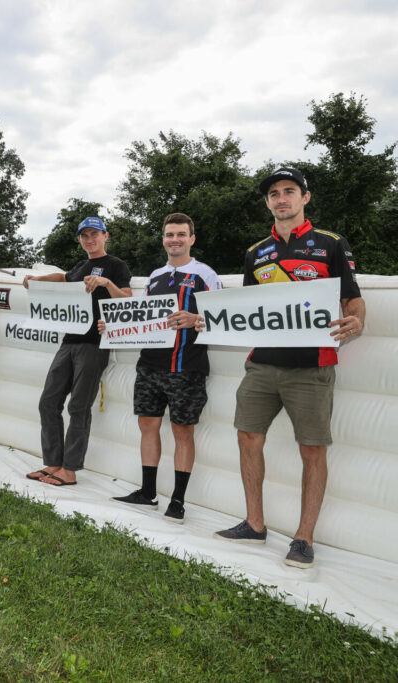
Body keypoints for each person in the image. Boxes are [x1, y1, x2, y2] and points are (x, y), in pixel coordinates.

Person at [213, 167, 364, 569]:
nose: (282, 199)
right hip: (261, 364)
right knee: (247, 437)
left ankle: (304, 538)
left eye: (289, 191)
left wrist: (358, 321)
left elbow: (352, 299)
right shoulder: (255, 252)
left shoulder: (330, 243)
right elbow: (244, 310)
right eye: (275, 194)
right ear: (268, 203)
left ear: (305, 198)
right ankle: (255, 523)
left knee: (312, 449)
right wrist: (205, 320)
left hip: (312, 366)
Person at [102, 213, 222, 522]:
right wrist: (113, 324)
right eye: (170, 234)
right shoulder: (155, 276)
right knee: (148, 425)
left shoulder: (205, 274)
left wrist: (196, 320)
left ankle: (178, 501)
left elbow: (225, 319)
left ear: (192, 239)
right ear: (164, 239)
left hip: (187, 366)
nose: (175, 240)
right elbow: (141, 318)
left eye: (181, 234)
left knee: (183, 431)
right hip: (150, 366)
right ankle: (148, 492)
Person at [23, 217, 132, 486]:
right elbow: (63, 277)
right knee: (48, 402)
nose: (89, 239)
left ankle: (70, 470)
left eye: (94, 234)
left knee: (79, 406)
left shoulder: (116, 265)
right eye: (84, 235)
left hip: (94, 344)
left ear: (106, 235)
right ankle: (53, 463)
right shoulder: (82, 265)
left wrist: (107, 284)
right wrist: (37, 279)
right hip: (69, 341)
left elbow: (128, 299)